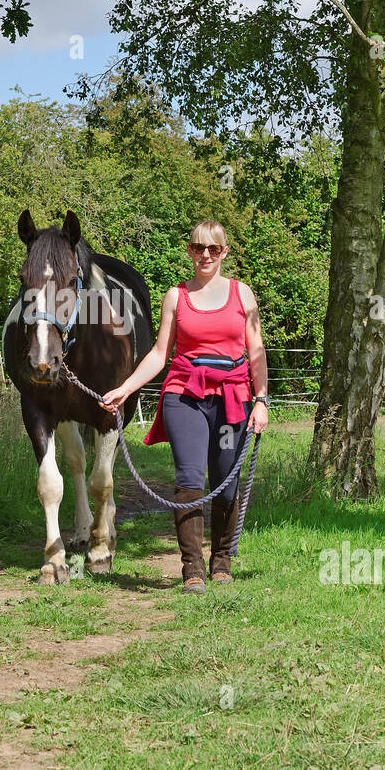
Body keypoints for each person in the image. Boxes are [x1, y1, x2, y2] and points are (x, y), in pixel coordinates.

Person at [99, 221, 269, 595]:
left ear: (224, 252)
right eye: (197, 247)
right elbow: (160, 354)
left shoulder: (243, 295)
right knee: (190, 481)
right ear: (189, 251)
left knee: (226, 484)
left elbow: (256, 352)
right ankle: (192, 569)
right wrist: (125, 389)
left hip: (232, 400)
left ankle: (221, 562)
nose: (205, 254)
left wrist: (261, 400)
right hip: (184, 396)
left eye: (213, 248)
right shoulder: (176, 297)